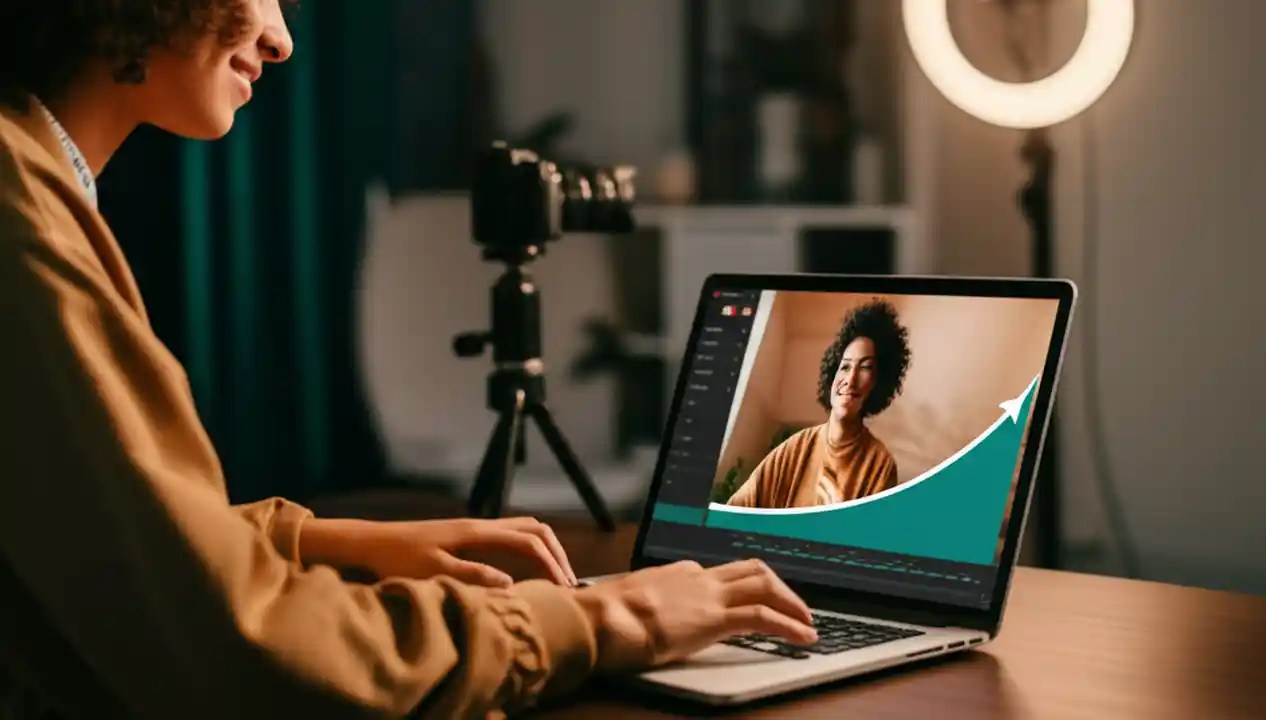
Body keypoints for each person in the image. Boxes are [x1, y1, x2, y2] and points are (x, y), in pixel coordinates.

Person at [0, 2, 817, 718]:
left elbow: (90, 541)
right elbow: (234, 651)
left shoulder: (35, 185)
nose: (280, 39)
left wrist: (329, 543)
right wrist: (611, 619)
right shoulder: (21, 219)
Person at [726, 300, 911, 509]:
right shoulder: (797, 447)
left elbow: (870, 528)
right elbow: (737, 508)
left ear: (878, 383)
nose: (850, 379)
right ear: (832, 374)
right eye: (845, 367)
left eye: (865, 367)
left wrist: (837, 515)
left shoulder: (880, 465)